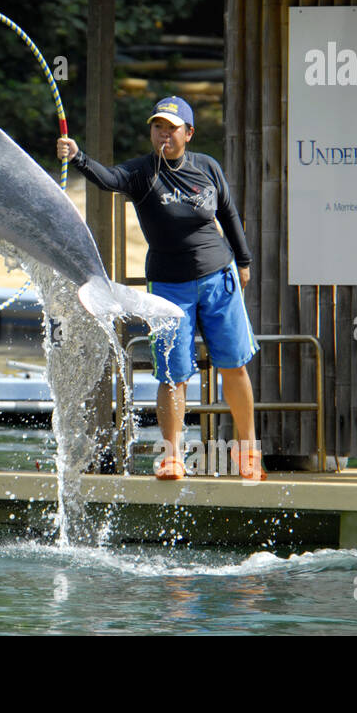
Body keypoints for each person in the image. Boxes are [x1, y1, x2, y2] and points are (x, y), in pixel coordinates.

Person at [56, 96, 265, 481]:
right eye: (157, 127)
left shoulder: (207, 167)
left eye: (171, 128)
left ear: (189, 133)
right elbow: (108, 179)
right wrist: (79, 156)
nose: (164, 134)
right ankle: (173, 456)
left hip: (219, 277)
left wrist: (245, 260)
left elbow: (228, 214)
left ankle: (247, 453)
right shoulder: (141, 172)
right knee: (173, 374)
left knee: (233, 366)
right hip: (169, 287)